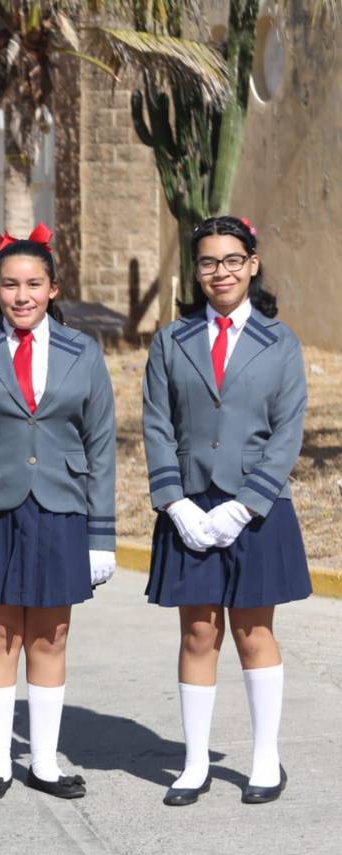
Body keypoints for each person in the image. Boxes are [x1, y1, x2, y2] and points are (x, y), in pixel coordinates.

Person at [0, 224, 116, 802]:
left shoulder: (84, 352)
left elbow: (101, 445)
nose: (22, 295)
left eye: (34, 284)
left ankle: (45, 762)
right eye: (10, 284)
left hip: (61, 506)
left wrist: (102, 536)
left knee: (51, 636)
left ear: (53, 288)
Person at [142, 215, 310, 806]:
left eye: (233, 260)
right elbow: (157, 425)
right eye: (209, 262)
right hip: (190, 501)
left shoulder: (280, 342)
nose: (221, 272)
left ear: (252, 264)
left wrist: (246, 506)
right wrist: (175, 503)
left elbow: (287, 433)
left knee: (254, 630)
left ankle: (265, 759)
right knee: (198, 632)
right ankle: (193, 764)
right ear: (197, 271)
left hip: (256, 507)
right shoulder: (171, 341)